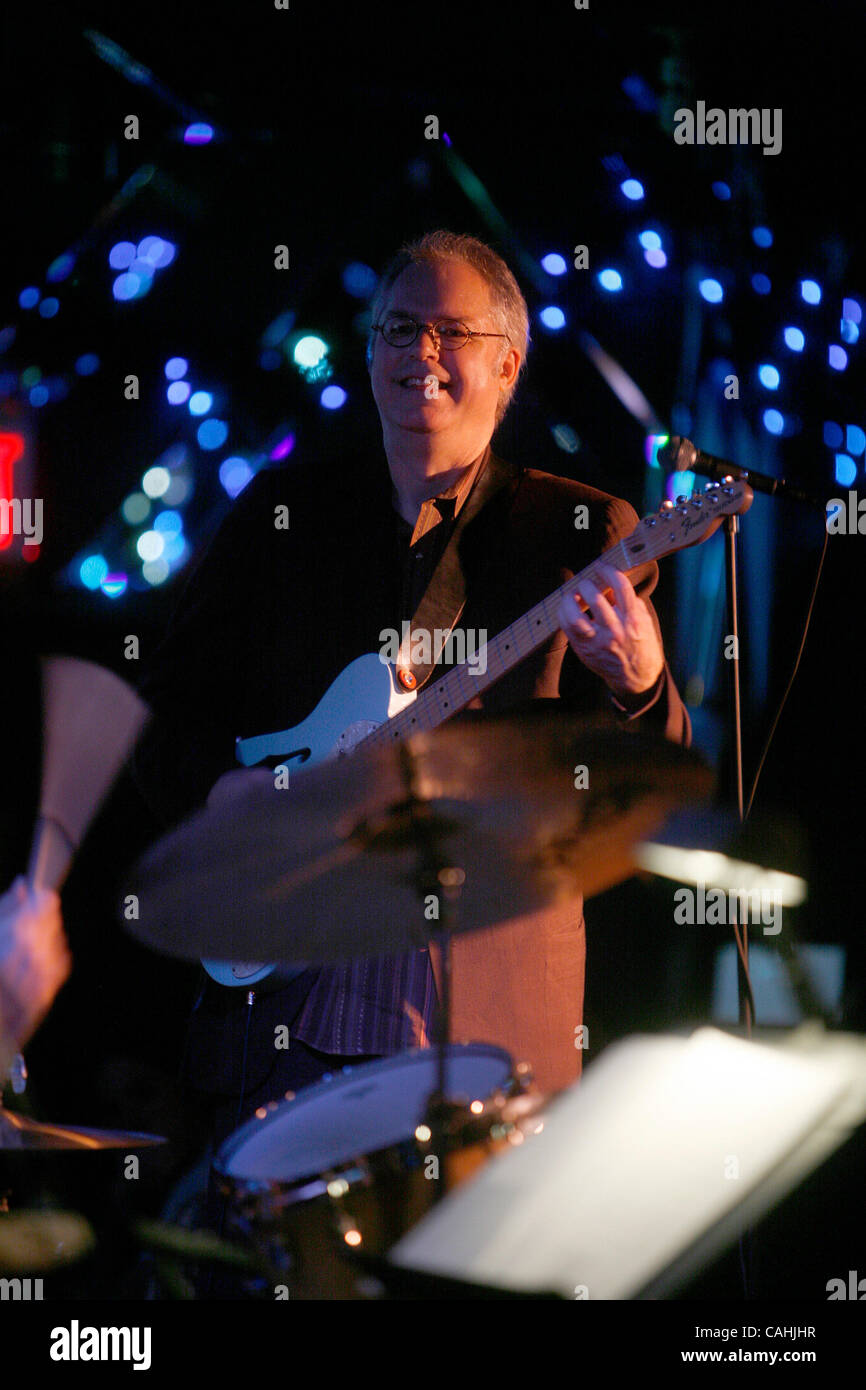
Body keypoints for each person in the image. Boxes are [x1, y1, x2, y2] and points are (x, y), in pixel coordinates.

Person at [133, 230, 689, 1151]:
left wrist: (638, 682)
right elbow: (163, 715)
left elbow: (636, 789)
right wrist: (222, 793)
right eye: (398, 329)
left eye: (449, 333)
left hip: (481, 1014)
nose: (418, 354)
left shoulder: (580, 527)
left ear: (509, 366)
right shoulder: (283, 517)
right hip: (289, 1004)